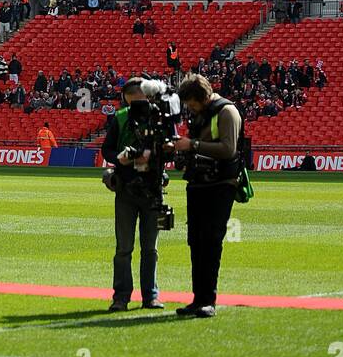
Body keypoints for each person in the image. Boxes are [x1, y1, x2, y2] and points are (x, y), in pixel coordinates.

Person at [172, 73, 243, 319]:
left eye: (192, 104)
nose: (190, 108)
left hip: (220, 183)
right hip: (198, 183)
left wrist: (192, 145)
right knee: (196, 241)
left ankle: (208, 300)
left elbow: (228, 149)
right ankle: (197, 298)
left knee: (211, 242)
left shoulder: (227, 112)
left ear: (202, 97)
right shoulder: (202, 112)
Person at [101, 78, 165, 313]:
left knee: (151, 248)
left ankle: (151, 296)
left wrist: (151, 154)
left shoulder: (160, 116)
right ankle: (121, 297)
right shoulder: (120, 118)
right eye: (132, 102)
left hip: (153, 189)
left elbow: (171, 148)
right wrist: (120, 157)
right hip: (126, 189)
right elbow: (106, 148)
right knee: (124, 248)